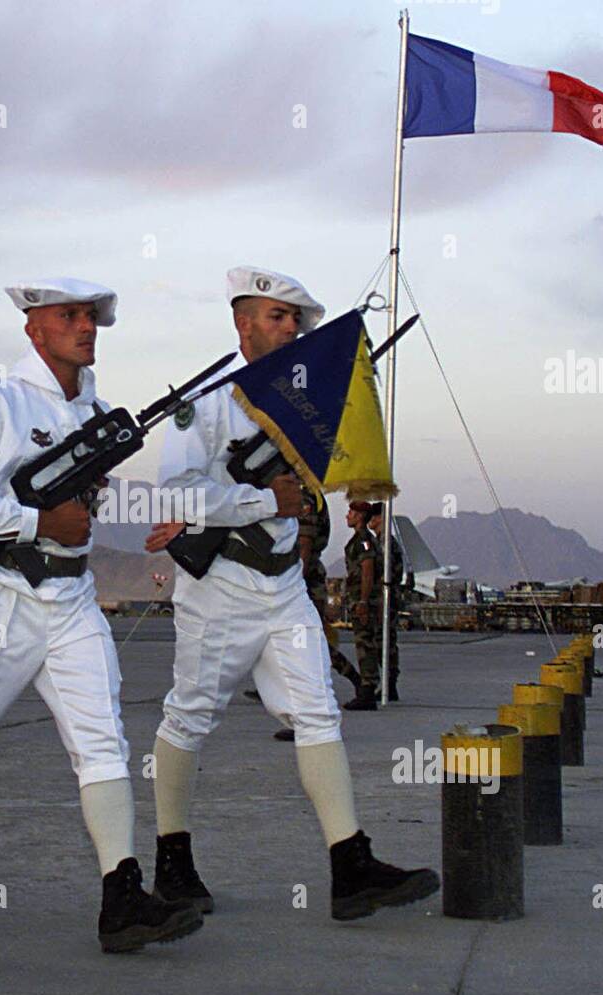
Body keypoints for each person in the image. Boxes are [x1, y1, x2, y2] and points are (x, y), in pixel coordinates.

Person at [0, 278, 204, 954]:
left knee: (102, 739)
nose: (85, 327)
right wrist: (34, 521)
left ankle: (122, 895)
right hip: (1, 600)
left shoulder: (97, 413)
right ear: (34, 328)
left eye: (91, 316)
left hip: (70, 599)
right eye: (68, 316)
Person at [144, 265, 438, 920]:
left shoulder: (300, 400)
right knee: (190, 714)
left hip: (281, 585)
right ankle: (172, 859)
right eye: (279, 317)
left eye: (298, 320)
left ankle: (350, 865)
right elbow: (176, 492)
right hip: (220, 586)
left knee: (318, 712)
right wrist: (259, 497)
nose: (293, 329)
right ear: (243, 323)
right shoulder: (209, 403)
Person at [272, 487, 359, 740]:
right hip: (304, 579)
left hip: (303, 581)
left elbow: (304, 544)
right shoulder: (309, 494)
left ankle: (306, 716)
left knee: (305, 649)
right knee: (302, 646)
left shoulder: (305, 496)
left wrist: (293, 581)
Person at [344, 501, 403, 709]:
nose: (347, 515)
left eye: (352, 512)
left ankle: (369, 689)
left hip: (371, 601)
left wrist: (363, 601)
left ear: (360, 516)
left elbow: (368, 570)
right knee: (372, 643)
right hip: (371, 600)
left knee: (367, 644)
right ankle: (378, 686)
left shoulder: (365, 542)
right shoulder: (371, 541)